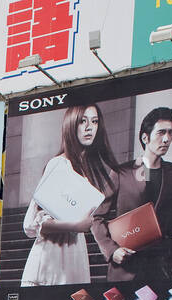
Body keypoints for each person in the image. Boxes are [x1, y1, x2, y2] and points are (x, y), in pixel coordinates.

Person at [22, 104, 120, 286]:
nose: (89, 127)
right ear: (71, 125)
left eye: (95, 121)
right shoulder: (58, 165)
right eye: (82, 121)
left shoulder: (87, 172)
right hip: (51, 258)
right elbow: (32, 224)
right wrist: (77, 225)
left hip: (74, 254)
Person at [92, 106, 172, 283]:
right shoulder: (121, 173)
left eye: (170, 133)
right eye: (161, 133)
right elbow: (96, 217)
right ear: (145, 137)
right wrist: (112, 251)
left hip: (162, 268)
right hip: (126, 267)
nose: (166, 139)